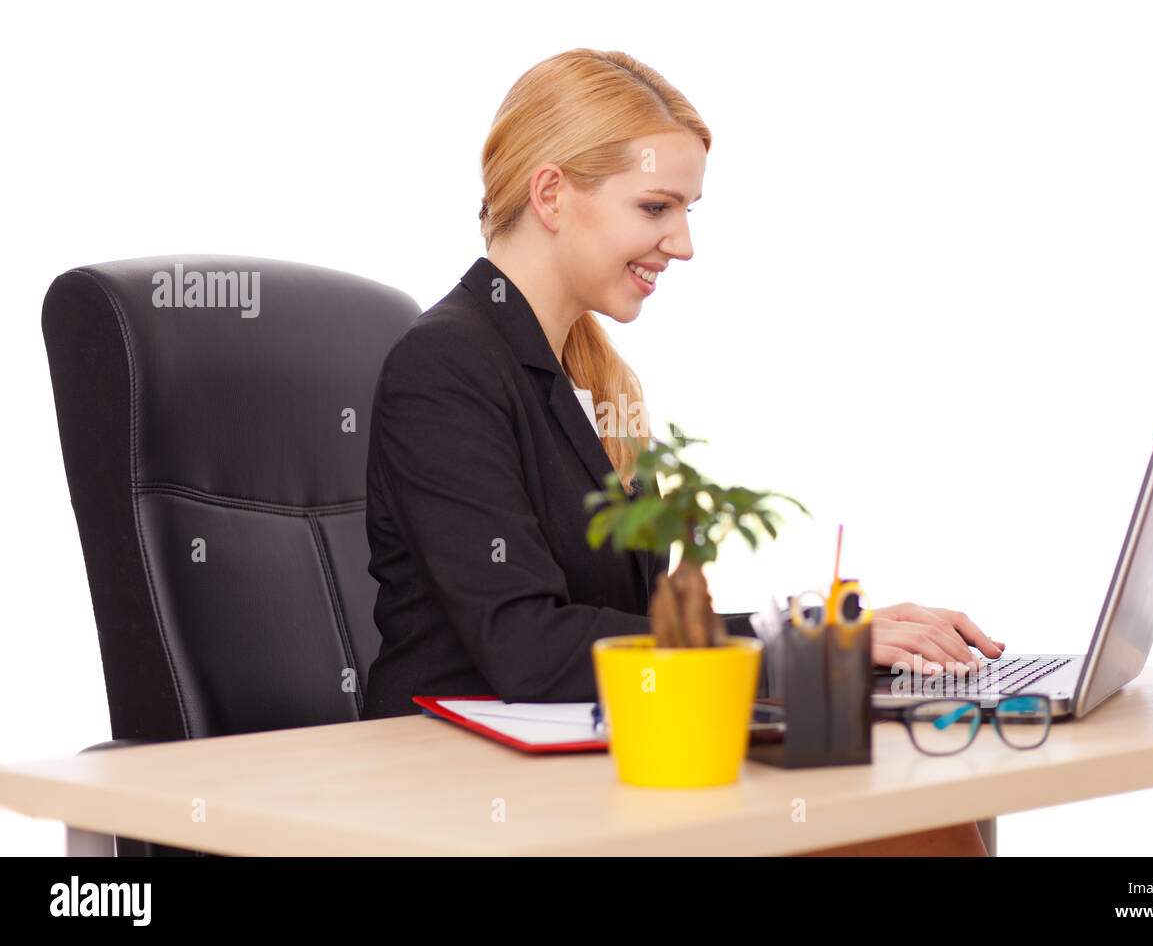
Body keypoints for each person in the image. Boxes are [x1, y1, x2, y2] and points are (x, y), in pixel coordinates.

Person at [362, 48, 1002, 857]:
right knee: (911, 829)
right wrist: (802, 657)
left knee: (929, 807)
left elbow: (636, 632)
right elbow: (526, 646)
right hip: (457, 790)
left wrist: (832, 645)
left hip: (581, 761)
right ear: (552, 194)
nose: (684, 243)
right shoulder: (446, 366)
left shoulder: (585, 381)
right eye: (657, 206)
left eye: (688, 210)